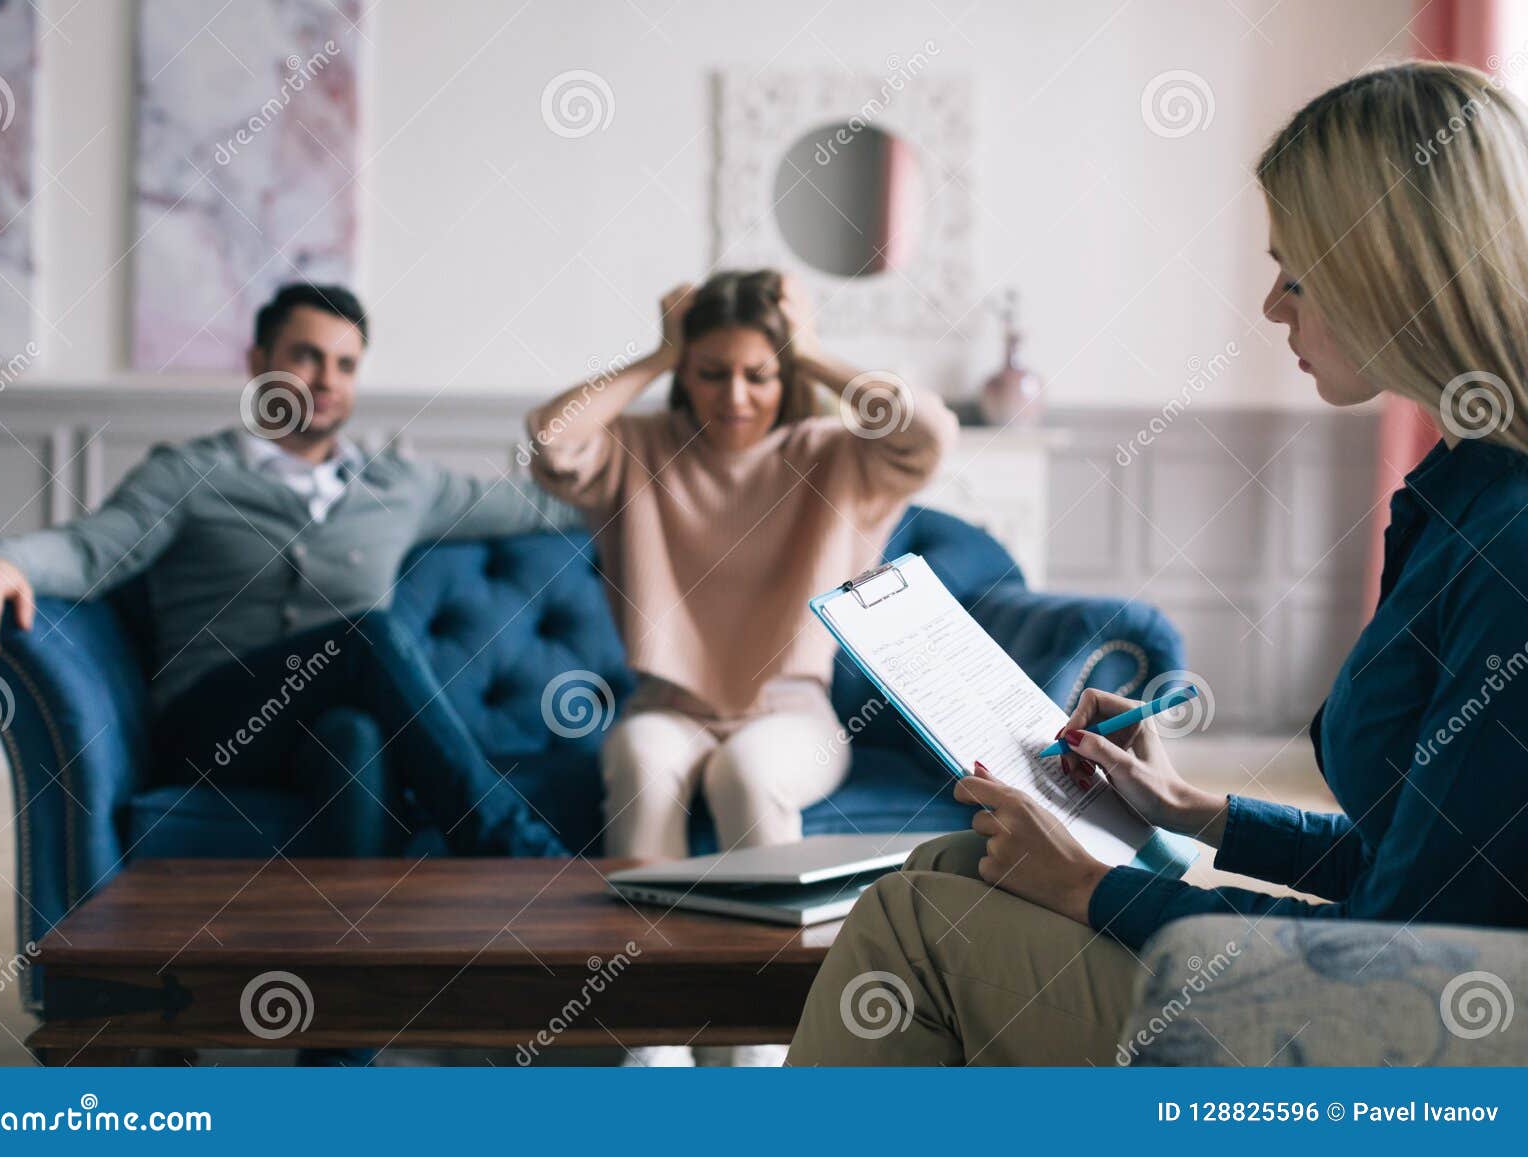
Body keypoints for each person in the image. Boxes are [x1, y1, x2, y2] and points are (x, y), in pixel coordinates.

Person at [788, 60, 1528, 1066]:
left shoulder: (1509, 538)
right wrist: (1194, 810)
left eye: (1297, 272)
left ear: (1394, 266)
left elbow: (1401, 943)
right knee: (959, 862)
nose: (1274, 306)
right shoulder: (1463, 495)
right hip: (1400, 987)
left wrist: (1094, 886)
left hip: (1421, 1046)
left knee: (913, 920)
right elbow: (1421, 861)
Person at [0, 283, 577, 863]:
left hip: (320, 733)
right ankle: (511, 848)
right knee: (368, 637)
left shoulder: (403, 486)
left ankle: (352, 967)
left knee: (353, 739)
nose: (326, 380)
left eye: (345, 365)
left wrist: (661, 432)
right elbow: (89, 550)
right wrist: (5, 561)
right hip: (213, 727)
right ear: (258, 363)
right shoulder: (190, 473)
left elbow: (550, 501)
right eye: (307, 356)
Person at [527, 269, 957, 1065]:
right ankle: (652, 1037)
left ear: (784, 374)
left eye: (759, 374)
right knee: (637, 753)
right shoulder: (640, 449)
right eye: (711, 371)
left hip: (792, 714)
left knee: (748, 773)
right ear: (686, 376)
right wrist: (657, 354)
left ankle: (757, 1052)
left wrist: (814, 351)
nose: (735, 396)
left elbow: (928, 429)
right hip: (671, 706)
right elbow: (550, 439)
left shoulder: (837, 454)